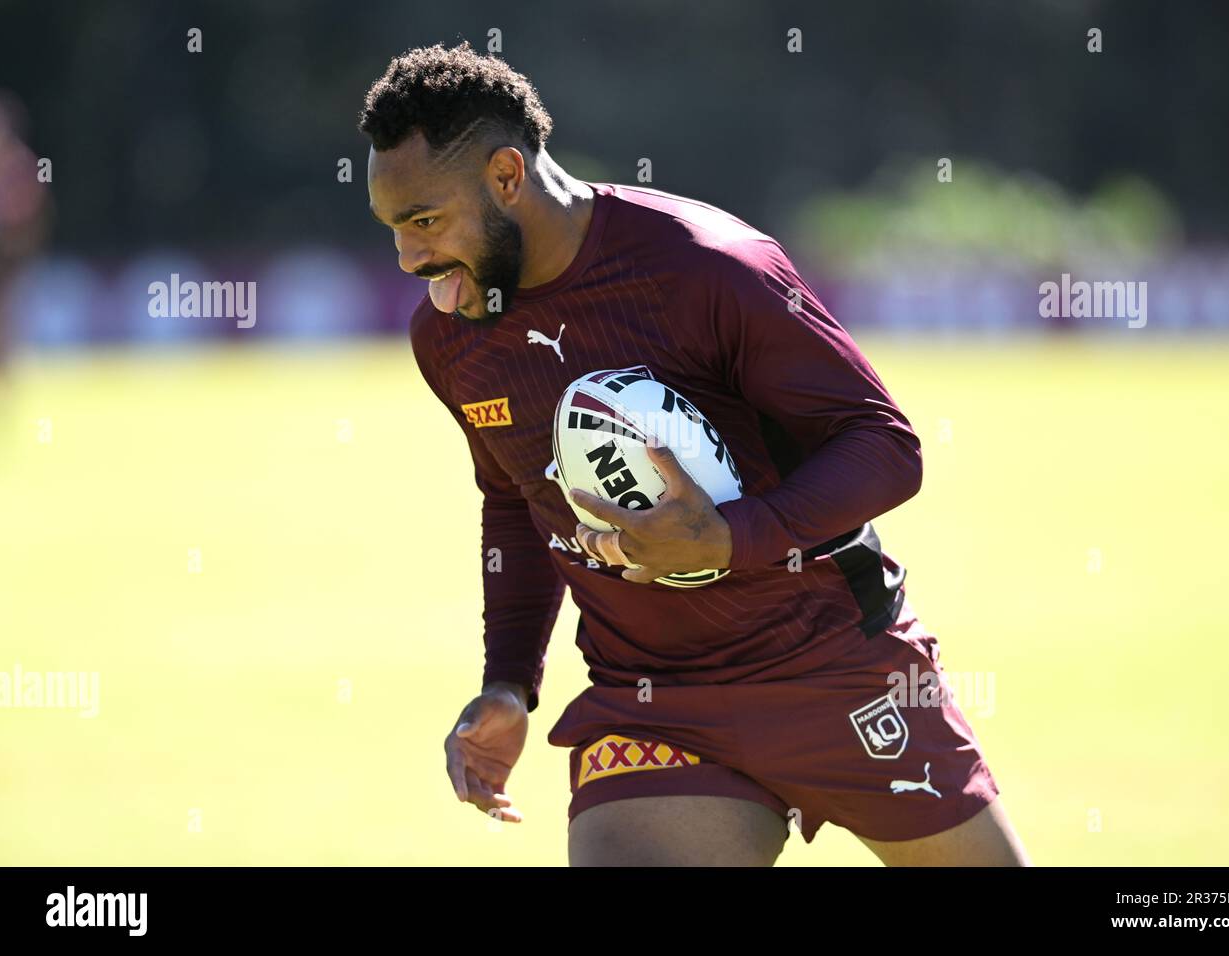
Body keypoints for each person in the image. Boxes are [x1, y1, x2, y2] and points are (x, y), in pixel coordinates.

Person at [359, 42, 1029, 866]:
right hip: (653, 702)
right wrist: (509, 681)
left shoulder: (707, 266)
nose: (410, 259)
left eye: (424, 221)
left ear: (506, 176)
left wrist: (728, 537)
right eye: (394, 230)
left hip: (834, 666)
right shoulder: (451, 336)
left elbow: (886, 449)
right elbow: (515, 500)